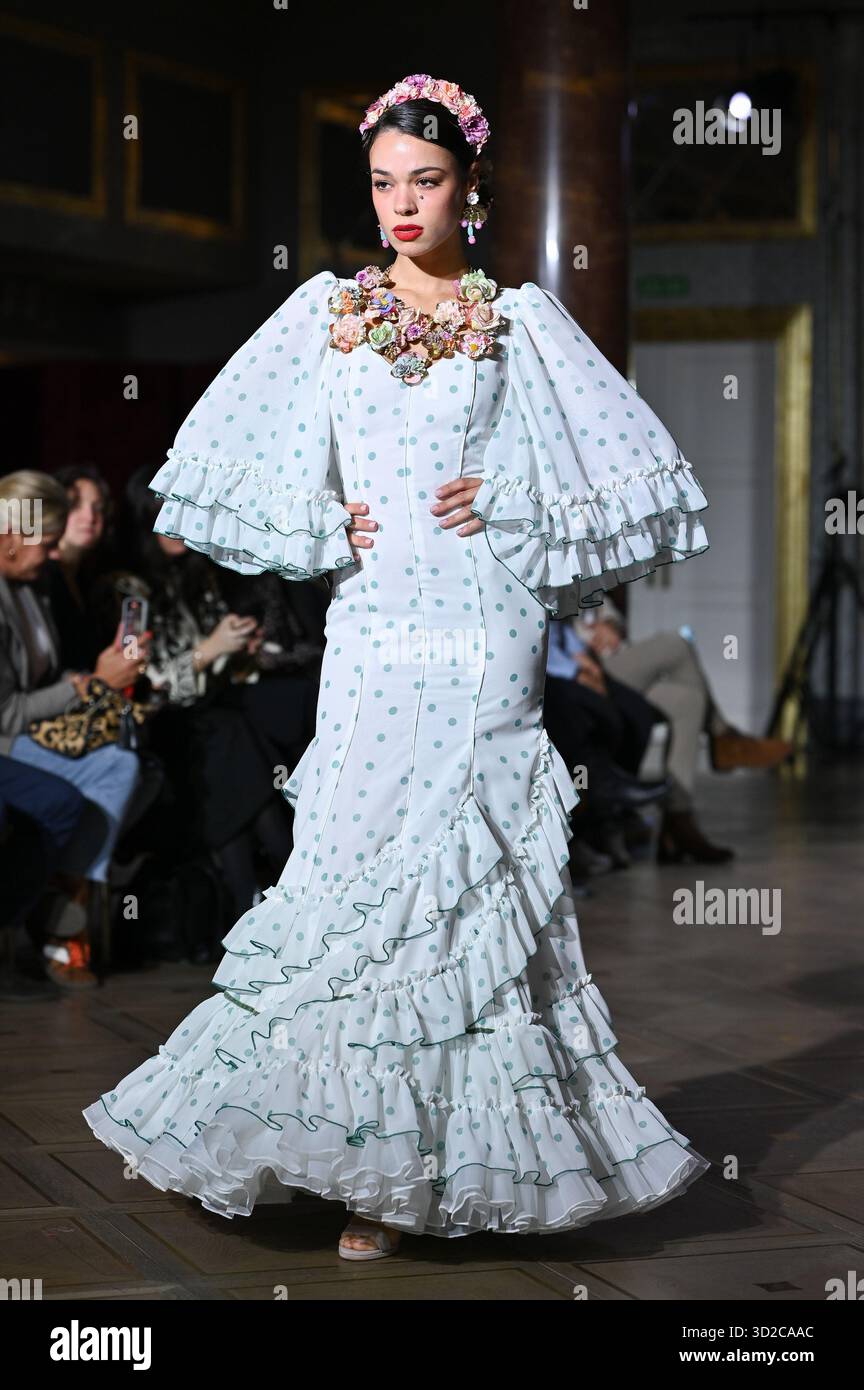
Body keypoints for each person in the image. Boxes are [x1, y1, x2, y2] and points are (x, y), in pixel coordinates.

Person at [82, 74, 713, 1258]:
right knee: (357, 860)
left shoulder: (519, 321)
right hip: (374, 625)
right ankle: (347, 1143)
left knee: (469, 872)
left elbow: (628, 479)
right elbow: (226, 466)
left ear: (470, 188)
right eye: (382, 182)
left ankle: (421, 1176)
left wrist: (514, 495)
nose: (401, 203)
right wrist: (327, 526)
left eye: (424, 181)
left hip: (485, 620)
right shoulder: (326, 313)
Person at [0, 470, 148, 987]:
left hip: (27, 735)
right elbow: (4, 714)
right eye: (46, 540)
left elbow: (42, 676)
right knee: (64, 796)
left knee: (125, 765)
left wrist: (97, 675)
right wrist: (90, 687)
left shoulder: (30, 587)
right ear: (10, 535)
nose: (53, 552)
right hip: (6, 740)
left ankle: (61, 900)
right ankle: (47, 920)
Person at [580, 599, 793, 861]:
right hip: (580, 668)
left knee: (688, 701)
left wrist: (610, 624)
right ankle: (723, 737)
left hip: (612, 662)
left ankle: (677, 821)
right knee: (676, 644)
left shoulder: (582, 563)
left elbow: (604, 608)